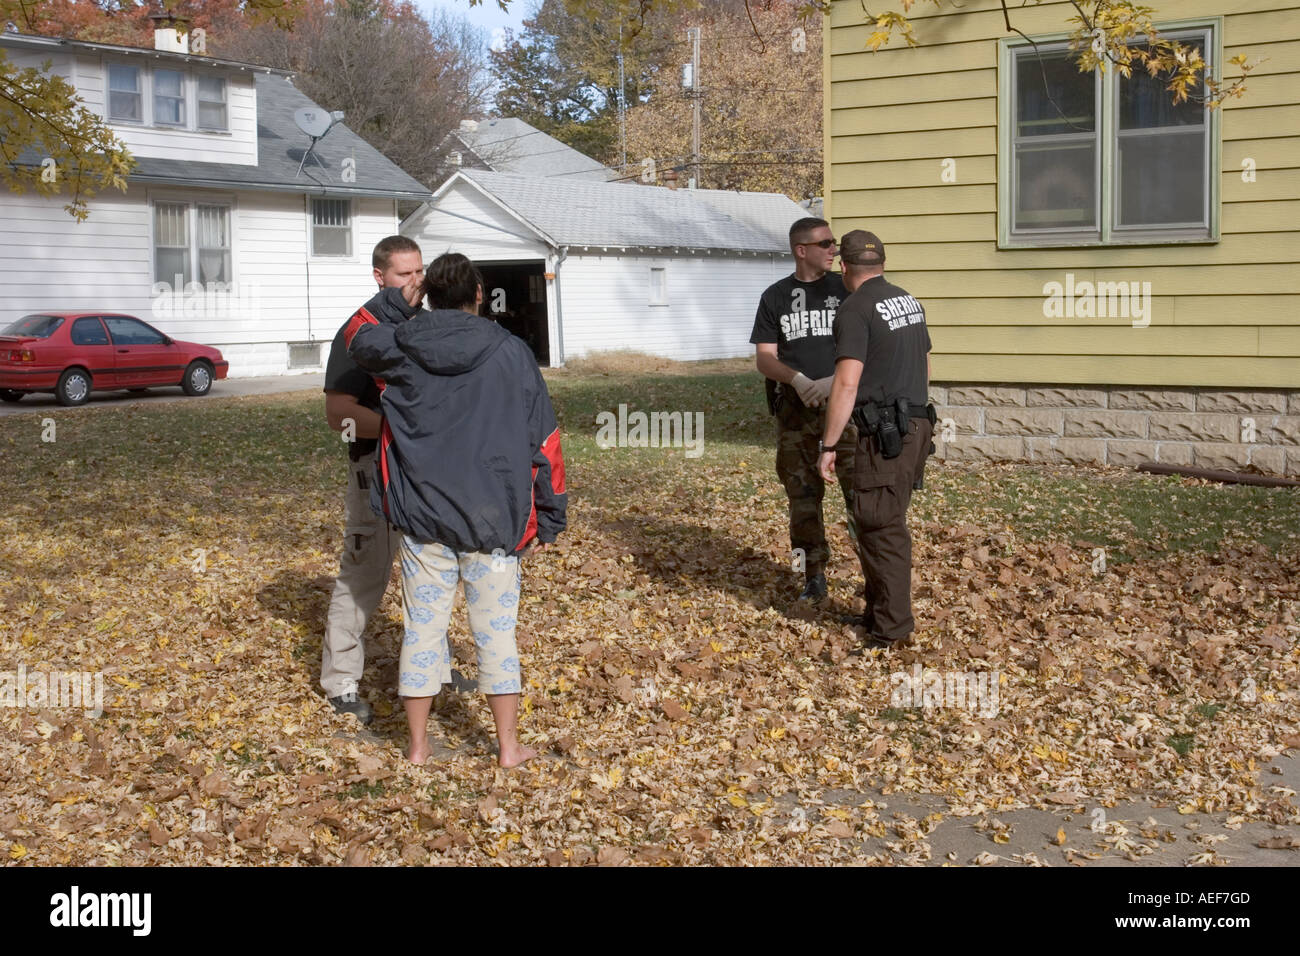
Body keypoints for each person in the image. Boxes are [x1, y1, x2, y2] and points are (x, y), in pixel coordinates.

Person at [347, 253, 567, 768]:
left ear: (427, 295)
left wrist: (396, 302)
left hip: (424, 519)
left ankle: (419, 748)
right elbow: (545, 440)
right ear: (480, 295)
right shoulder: (512, 353)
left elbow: (355, 333)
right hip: (495, 519)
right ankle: (508, 747)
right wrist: (550, 515)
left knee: (422, 631)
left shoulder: (399, 343)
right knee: (496, 635)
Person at [320, 236, 423, 723]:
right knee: (364, 573)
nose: (415, 282)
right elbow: (337, 414)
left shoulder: (422, 325)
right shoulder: (357, 331)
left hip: (422, 470)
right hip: (374, 469)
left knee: (430, 572)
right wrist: (403, 431)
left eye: (419, 271)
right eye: (404, 274)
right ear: (379, 276)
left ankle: (432, 673)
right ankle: (340, 684)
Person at [818, 230, 934, 651]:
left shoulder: (855, 309)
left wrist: (828, 446)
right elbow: (923, 362)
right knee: (876, 521)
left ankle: (892, 629)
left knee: (882, 527)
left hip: (885, 432)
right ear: (882, 262)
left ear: (845, 267)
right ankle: (876, 611)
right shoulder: (907, 300)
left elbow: (847, 383)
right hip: (914, 424)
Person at [750, 217, 857, 603]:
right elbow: (765, 358)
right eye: (826, 243)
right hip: (795, 417)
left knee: (859, 495)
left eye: (834, 243)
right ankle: (809, 576)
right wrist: (796, 380)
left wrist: (833, 382)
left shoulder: (847, 290)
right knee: (801, 500)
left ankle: (876, 576)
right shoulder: (775, 296)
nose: (834, 249)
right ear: (801, 250)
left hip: (845, 414)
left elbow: (868, 348)